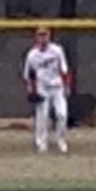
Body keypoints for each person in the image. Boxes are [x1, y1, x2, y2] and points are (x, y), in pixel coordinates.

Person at [22, 24, 73, 154]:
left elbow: (64, 70)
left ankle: (61, 142)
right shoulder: (32, 55)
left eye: (45, 35)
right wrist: (31, 89)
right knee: (42, 117)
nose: (43, 38)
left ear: (49, 36)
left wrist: (67, 86)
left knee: (62, 114)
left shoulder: (57, 51)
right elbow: (29, 75)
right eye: (40, 35)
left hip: (57, 87)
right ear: (36, 38)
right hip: (42, 88)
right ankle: (41, 144)